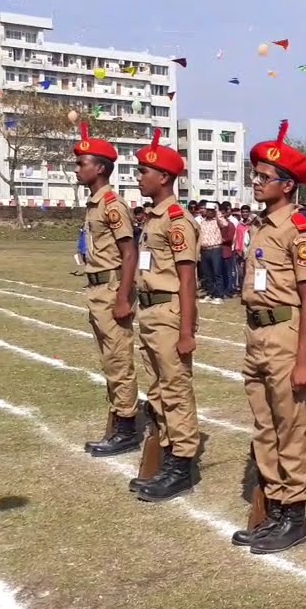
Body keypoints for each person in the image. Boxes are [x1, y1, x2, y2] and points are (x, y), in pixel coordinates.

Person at [228, 120, 306, 554]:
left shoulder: (298, 230)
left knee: (290, 426)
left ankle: (295, 514)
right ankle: (275, 506)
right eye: (257, 176)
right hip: (256, 332)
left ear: (287, 185)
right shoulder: (263, 226)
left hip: (284, 332)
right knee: (264, 425)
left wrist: (304, 359)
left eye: (264, 178)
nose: (256, 183)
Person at [131, 130, 201, 502]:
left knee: (175, 389)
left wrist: (187, 330)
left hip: (169, 312)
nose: (139, 177)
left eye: (144, 172)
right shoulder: (153, 218)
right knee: (159, 389)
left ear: (164, 178)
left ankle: (182, 464)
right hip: (151, 310)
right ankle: (168, 453)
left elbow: (188, 279)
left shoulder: (176, 219)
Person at [75, 124, 142, 457]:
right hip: (97, 287)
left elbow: (130, 252)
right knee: (108, 360)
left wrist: (122, 298)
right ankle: (119, 420)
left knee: (118, 360)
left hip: (112, 286)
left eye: (81, 163)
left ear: (99, 168)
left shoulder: (112, 205)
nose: (77, 168)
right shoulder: (95, 204)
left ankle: (128, 428)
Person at [197, 202, 225, 304]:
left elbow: (224, 224)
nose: (208, 212)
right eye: (207, 210)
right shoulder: (202, 222)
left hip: (215, 249)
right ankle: (210, 293)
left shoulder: (217, 221)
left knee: (217, 273)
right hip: (204, 250)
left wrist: (217, 211)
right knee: (207, 274)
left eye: (210, 210)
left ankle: (219, 295)